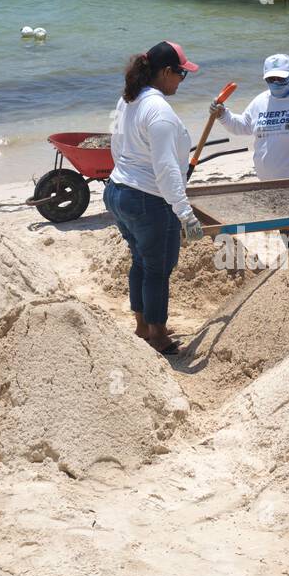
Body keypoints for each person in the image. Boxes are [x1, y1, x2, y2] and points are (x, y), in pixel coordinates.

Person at [102, 41, 206, 356]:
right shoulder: (159, 111)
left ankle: (142, 326)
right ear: (165, 72)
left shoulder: (128, 99)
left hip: (118, 192)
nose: (181, 81)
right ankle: (158, 336)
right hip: (148, 200)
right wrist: (186, 215)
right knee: (158, 269)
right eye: (181, 75)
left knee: (141, 260)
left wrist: (126, 175)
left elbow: (115, 146)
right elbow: (165, 170)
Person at [209, 53, 289, 181]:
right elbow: (242, 126)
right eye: (271, 79)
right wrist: (223, 114)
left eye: (281, 78)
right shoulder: (260, 101)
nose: (276, 82)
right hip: (269, 181)